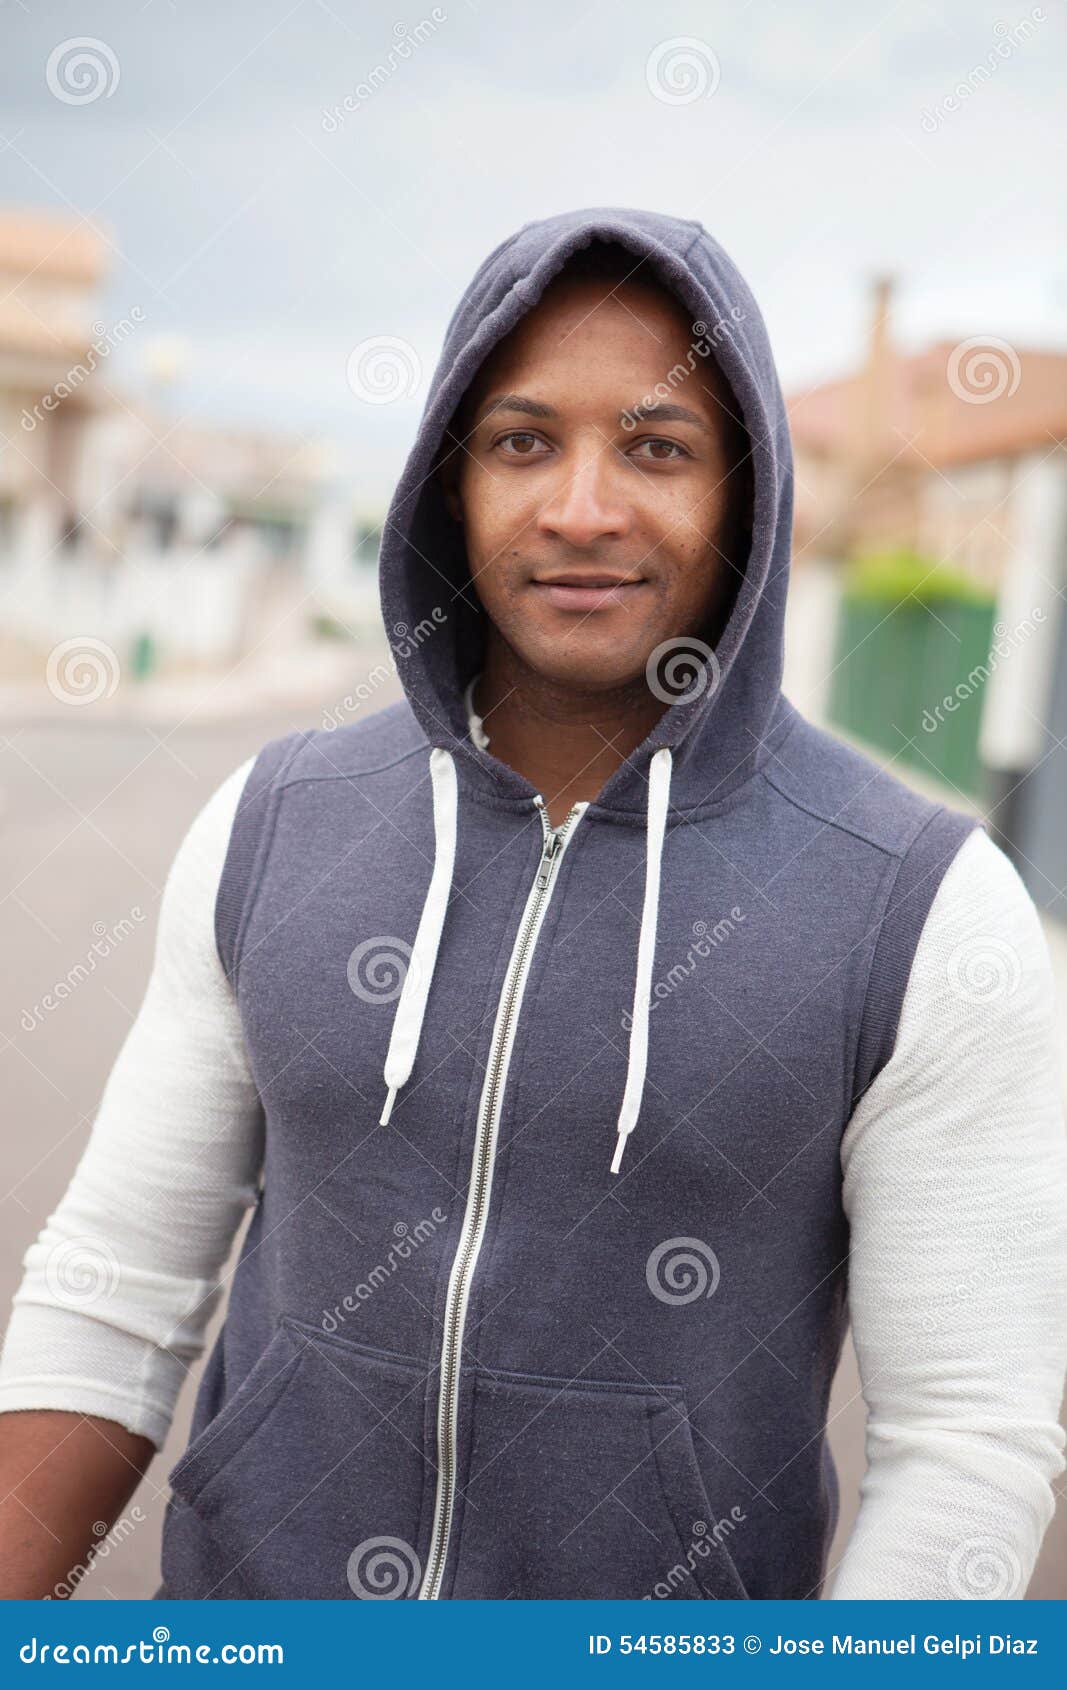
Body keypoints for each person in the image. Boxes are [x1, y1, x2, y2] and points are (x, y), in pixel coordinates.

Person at [1, 208, 1065, 1603]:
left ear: (750, 491)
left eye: (656, 446)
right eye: (521, 442)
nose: (581, 508)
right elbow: (112, 1297)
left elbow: (964, 1443)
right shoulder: (275, 825)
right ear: (450, 479)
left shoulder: (922, 905)